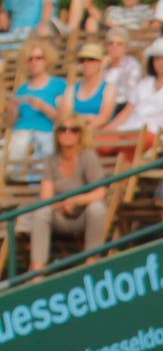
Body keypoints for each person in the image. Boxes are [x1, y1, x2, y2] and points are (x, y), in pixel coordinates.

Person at [28, 112, 107, 273]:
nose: (67, 133)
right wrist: (63, 204)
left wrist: (76, 201)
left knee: (97, 209)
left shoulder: (87, 157)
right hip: (60, 214)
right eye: (62, 129)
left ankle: (91, 263)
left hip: (83, 215)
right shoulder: (51, 160)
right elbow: (46, 197)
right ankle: (37, 273)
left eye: (73, 130)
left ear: (81, 134)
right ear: (56, 134)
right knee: (41, 212)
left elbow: (100, 192)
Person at [98, 36, 163, 153]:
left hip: (160, 136)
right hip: (130, 130)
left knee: (138, 141)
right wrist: (105, 131)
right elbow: (125, 113)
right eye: (157, 59)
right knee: (97, 142)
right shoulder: (144, 84)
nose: (161, 63)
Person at [4, 40, 66, 165]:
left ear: (47, 60)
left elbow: (63, 119)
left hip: (46, 133)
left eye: (38, 58)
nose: (34, 62)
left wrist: (42, 106)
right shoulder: (22, 89)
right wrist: (12, 108)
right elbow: (10, 123)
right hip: (20, 133)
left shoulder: (59, 85)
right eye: (30, 59)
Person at [61, 42, 117, 131]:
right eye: (82, 60)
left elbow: (103, 118)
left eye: (91, 59)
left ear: (100, 63)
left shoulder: (108, 88)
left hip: (97, 136)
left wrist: (81, 123)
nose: (86, 63)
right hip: (75, 134)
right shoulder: (72, 88)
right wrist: (88, 118)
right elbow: (65, 115)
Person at [102, 27, 143, 117]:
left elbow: (131, 95)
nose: (114, 47)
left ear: (126, 48)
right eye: (111, 43)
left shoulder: (132, 66)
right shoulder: (102, 65)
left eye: (119, 44)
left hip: (121, 108)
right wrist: (100, 68)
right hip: (101, 106)